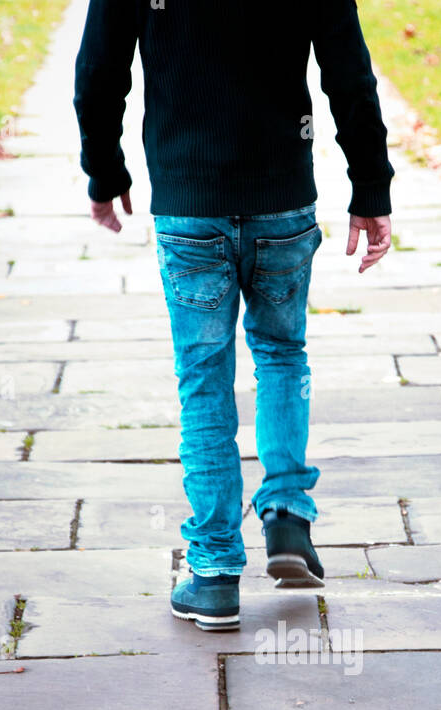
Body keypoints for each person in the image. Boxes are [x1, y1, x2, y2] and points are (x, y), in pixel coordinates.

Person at [74, 0, 394, 630]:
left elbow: (98, 71)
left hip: (189, 200)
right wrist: (371, 188)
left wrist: (104, 171)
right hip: (282, 198)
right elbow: (349, 73)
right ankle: (287, 516)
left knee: (203, 379)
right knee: (281, 354)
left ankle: (215, 571)